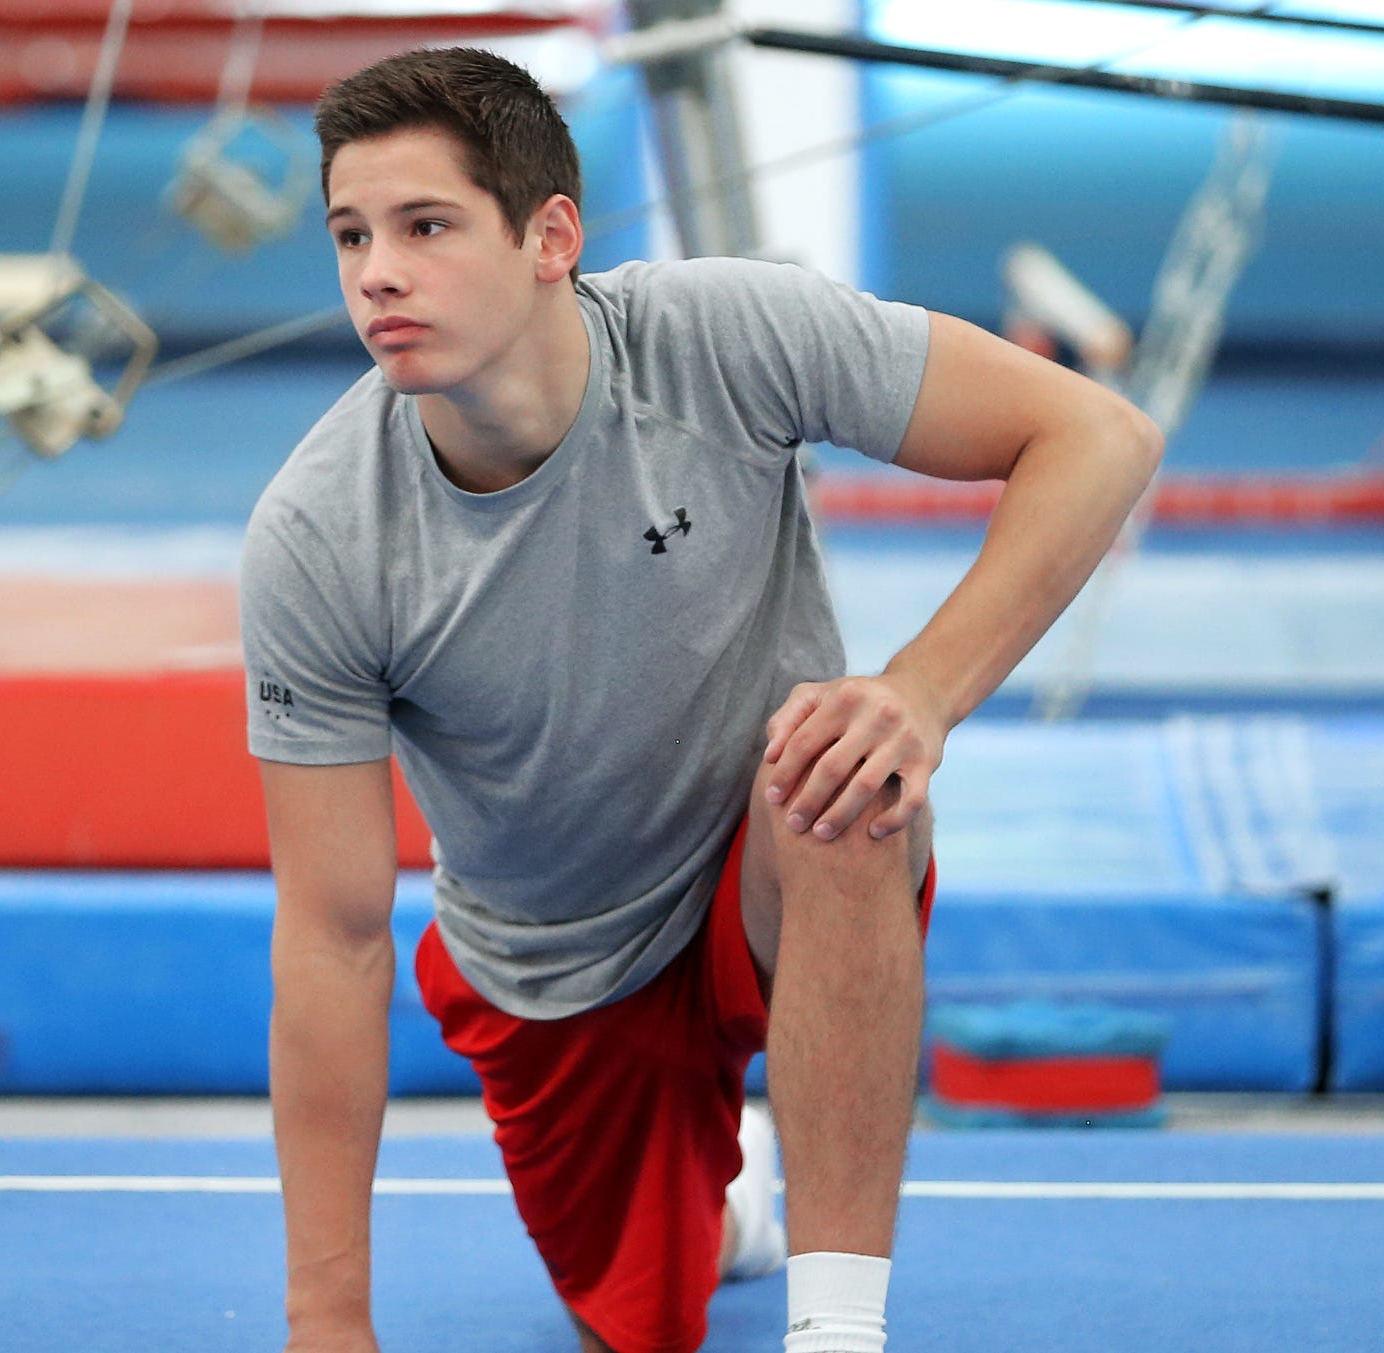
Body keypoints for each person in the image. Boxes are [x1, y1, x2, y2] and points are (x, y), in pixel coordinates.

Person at [240, 46, 1160, 1353]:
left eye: (425, 224)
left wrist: (919, 692)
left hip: (764, 861)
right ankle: (725, 1211)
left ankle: (839, 1328)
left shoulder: (725, 336)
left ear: (551, 235)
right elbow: (331, 938)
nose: (376, 271)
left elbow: (1097, 436)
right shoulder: (320, 534)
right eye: (350, 234)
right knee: (640, 1320)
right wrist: (325, 1320)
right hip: (562, 979)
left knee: (847, 776)